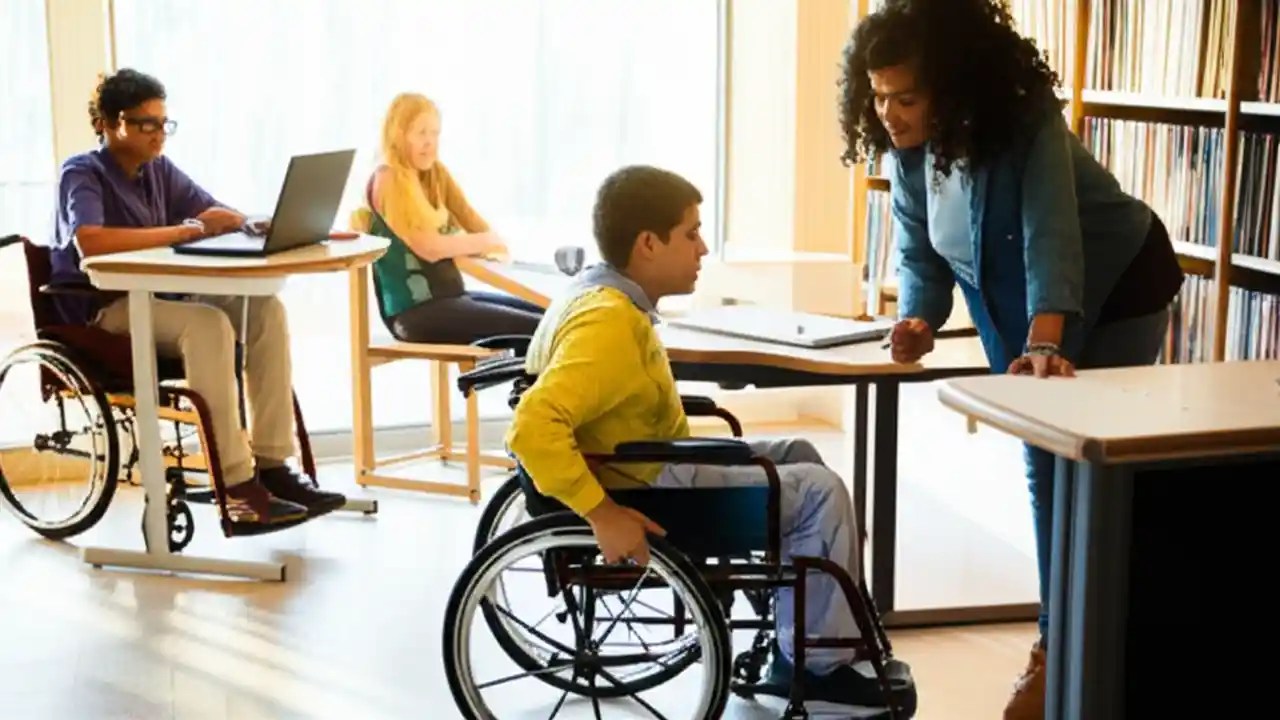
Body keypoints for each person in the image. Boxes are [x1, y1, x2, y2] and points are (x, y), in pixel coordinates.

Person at [837, 2, 1185, 717]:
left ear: (953, 87)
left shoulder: (1022, 119)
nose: (889, 113)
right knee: (1043, 466)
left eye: (906, 97)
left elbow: (1049, 231)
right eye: (877, 95)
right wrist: (917, 318)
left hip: (1117, 285)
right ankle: (1063, 648)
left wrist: (1046, 343)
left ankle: (1072, 655)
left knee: (1086, 469)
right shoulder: (905, 147)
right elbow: (921, 247)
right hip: (1022, 309)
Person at [505, 165, 915, 711]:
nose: (702, 249)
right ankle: (817, 669)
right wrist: (603, 514)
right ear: (648, 244)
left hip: (645, 466)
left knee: (799, 455)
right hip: (646, 491)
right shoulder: (606, 323)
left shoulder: (597, 297)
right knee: (819, 492)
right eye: (691, 234)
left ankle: (801, 636)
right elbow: (532, 428)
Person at [45, 68, 346, 526]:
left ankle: (271, 466)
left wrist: (249, 222)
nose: (158, 133)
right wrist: (181, 231)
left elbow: (209, 210)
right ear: (108, 122)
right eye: (145, 123)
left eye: (163, 122)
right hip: (105, 308)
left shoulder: (158, 169)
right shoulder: (81, 173)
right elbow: (90, 241)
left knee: (264, 310)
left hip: (160, 299)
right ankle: (236, 485)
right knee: (207, 324)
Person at [350, 93, 543, 344]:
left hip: (449, 298)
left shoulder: (434, 173)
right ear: (398, 135)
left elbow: (470, 219)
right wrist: (485, 241)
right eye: (421, 133)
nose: (430, 142)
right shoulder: (389, 178)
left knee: (550, 318)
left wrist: (492, 244)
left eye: (435, 133)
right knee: (541, 330)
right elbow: (429, 248)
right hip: (413, 313)